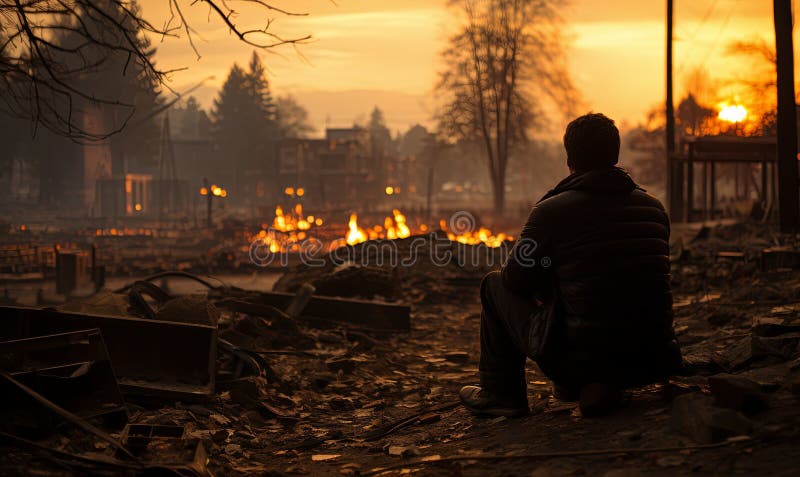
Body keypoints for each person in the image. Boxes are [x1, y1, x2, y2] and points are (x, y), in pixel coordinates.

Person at [460, 113, 683, 417]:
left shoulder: (551, 211)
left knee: (493, 284)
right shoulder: (654, 209)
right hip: (656, 359)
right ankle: (592, 384)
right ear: (615, 155)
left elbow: (514, 280)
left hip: (585, 361)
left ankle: (501, 394)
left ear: (569, 157)